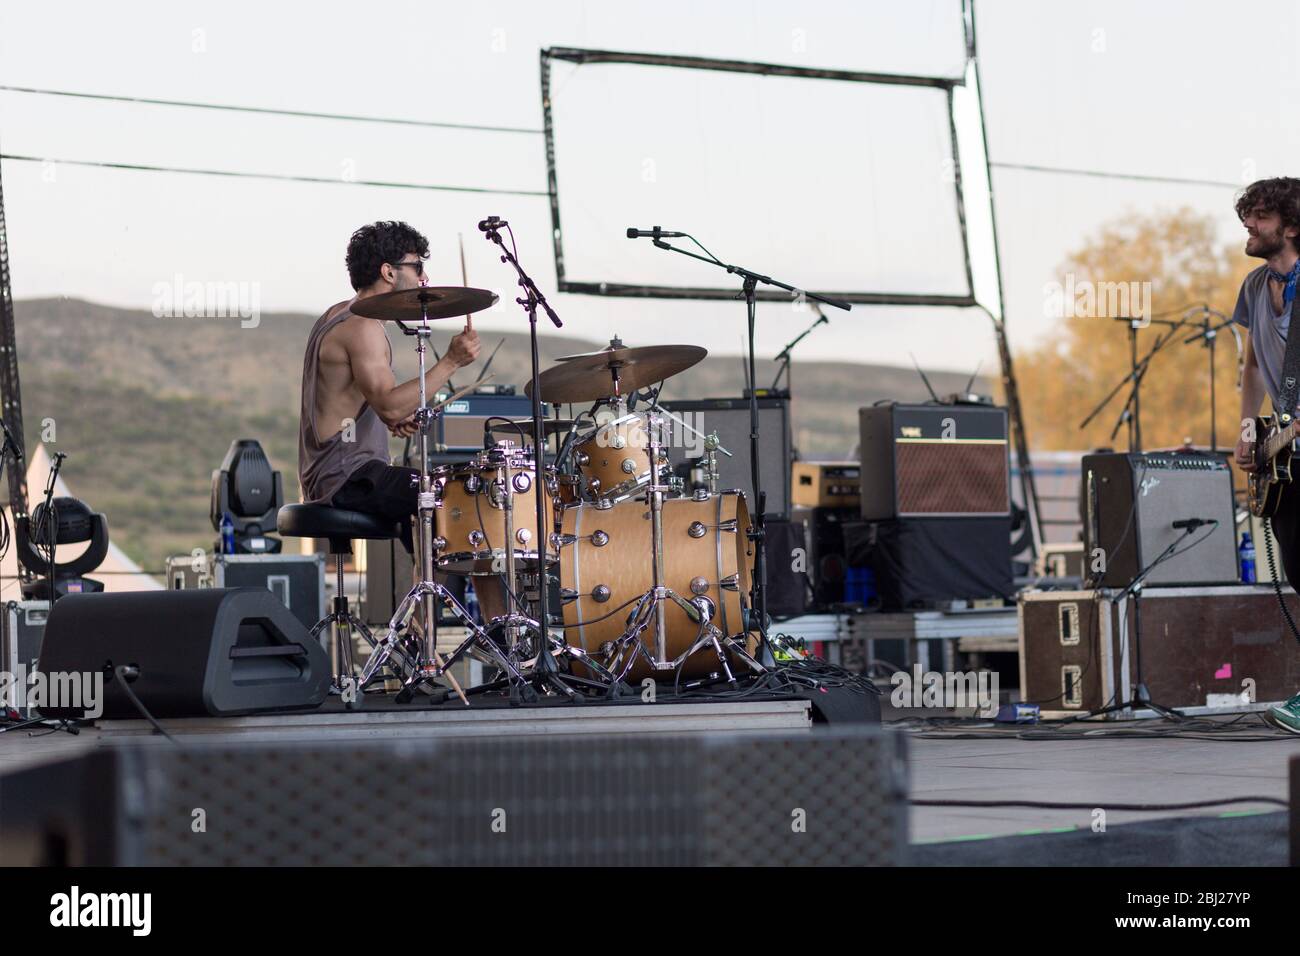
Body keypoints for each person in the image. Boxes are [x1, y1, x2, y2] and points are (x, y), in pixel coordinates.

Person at [298, 220, 480, 553]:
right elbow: (391, 404)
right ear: (388, 271)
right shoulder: (362, 326)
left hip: (335, 473)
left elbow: (367, 402)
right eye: (418, 266)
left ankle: (427, 594)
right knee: (449, 496)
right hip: (347, 478)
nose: (424, 278)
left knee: (430, 493)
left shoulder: (340, 314)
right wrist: (451, 361)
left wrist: (392, 418)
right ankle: (449, 600)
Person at [1230, 178, 1300, 733]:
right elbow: (1251, 367)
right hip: (1287, 448)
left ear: (1291, 225)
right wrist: (1250, 430)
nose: (1248, 225)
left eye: (1258, 216)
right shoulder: (1255, 285)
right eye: (1247, 215)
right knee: (1297, 565)